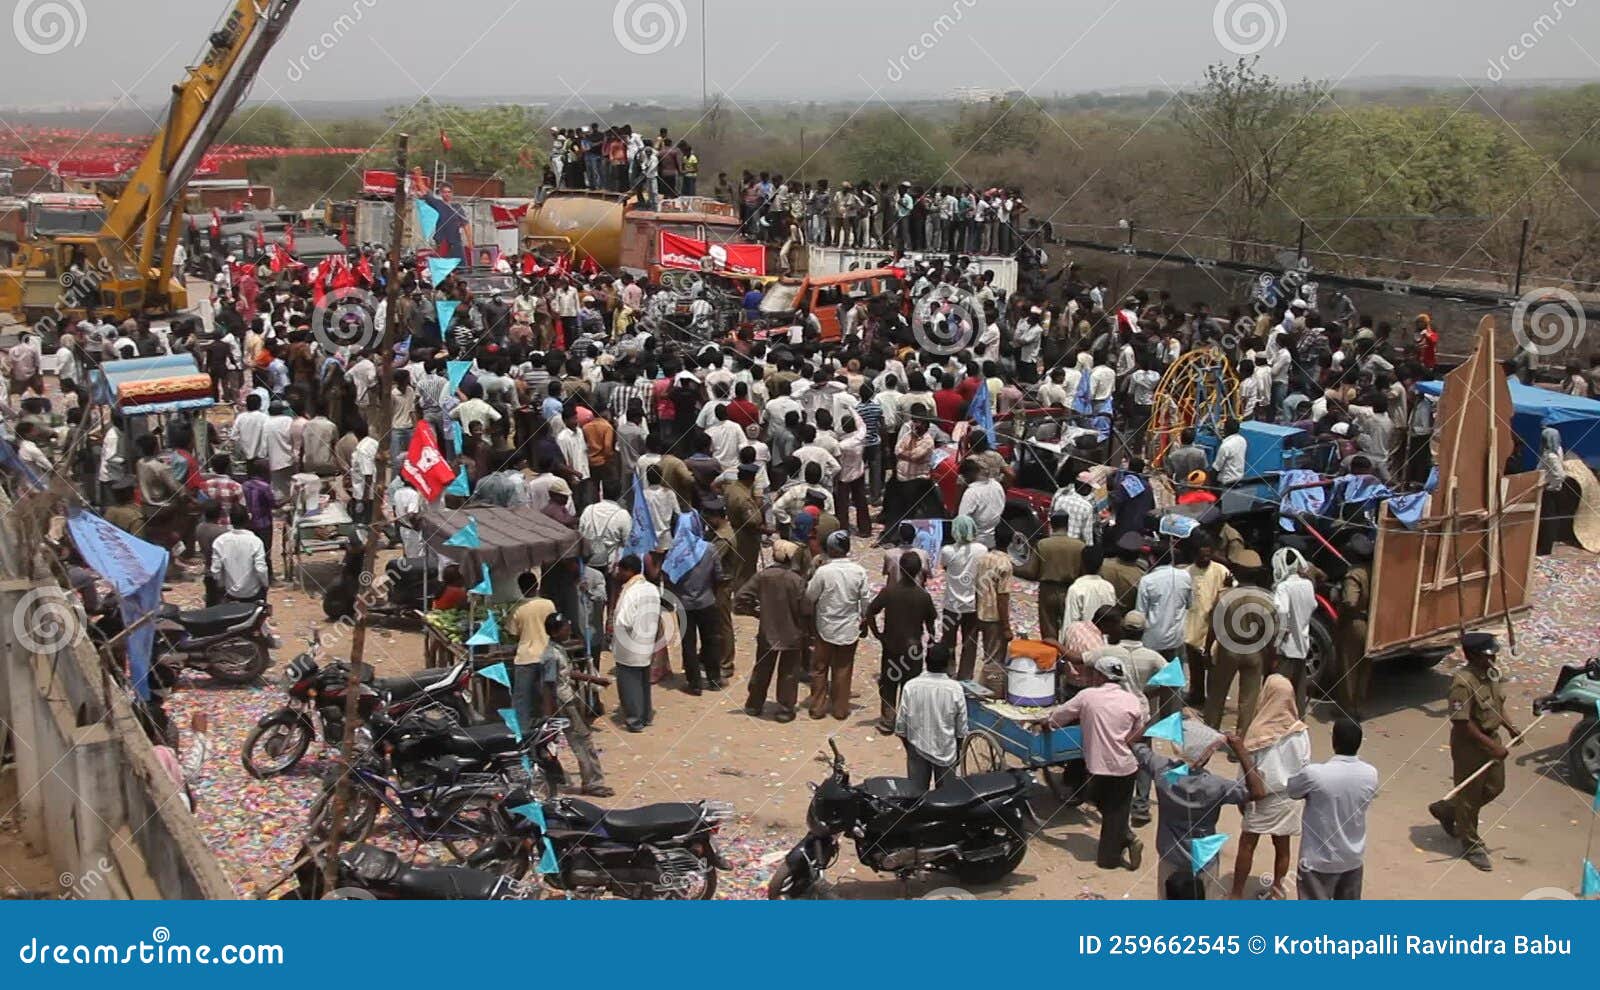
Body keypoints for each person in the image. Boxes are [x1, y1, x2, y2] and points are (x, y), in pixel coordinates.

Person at [1134, 718, 1267, 899]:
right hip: (1204, 860)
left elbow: (1132, 741)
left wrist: (1157, 718)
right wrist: (1241, 751)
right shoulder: (1216, 785)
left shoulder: (1162, 771)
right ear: (1206, 756)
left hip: (1169, 857)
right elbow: (1258, 792)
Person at [1042, 654, 1147, 871]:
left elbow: (1057, 717)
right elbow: (1140, 729)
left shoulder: (1087, 696)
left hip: (1099, 768)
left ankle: (1111, 857)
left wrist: (1046, 722)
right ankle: (1125, 835)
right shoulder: (1132, 700)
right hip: (1126, 766)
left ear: (1099, 675)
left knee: (1107, 809)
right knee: (1113, 809)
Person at [1428, 633, 1521, 872]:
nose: (1494, 659)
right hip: (1470, 745)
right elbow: (1462, 723)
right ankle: (1471, 845)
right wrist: (1492, 748)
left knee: (1494, 787)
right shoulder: (1463, 682)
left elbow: (1497, 706)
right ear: (1474, 655)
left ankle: (1448, 809)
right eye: (1489, 655)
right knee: (1470, 799)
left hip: (1492, 739)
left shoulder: (1492, 675)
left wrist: (1511, 729)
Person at [1228, 673, 1311, 899]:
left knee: (1247, 844)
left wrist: (1241, 797)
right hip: (1288, 799)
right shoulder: (1300, 731)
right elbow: (1305, 765)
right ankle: (1277, 891)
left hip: (1259, 798)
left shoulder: (1257, 730)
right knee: (1282, 847)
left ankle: (1236, 894)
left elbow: (1246, 770)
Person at [1287, 717, 1377, 899]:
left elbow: (1292, 790)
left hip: (1317, 861)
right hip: (1352, 858)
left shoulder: (1314, 774)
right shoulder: (1371, 773)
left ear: (1334, 740)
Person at [532, 611, 614, 797]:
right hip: (563, 704)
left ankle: (591, 781)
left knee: (582, 740)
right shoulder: (551, 656)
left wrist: (594, 679)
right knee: (582, 742)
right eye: (565, 629)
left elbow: (567, 673)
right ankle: (593, 784)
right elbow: (548, 686)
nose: (568, 632)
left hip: (568, 700)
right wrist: (549, 715)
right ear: (555, 632)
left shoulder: (557, 649)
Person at [735, 540, 810, 722]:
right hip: (792, 635)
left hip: (767, 634)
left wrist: (755, 612)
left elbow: (740, 599)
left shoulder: (763, 576)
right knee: (788, 673)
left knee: (762, 669)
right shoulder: (797, 581)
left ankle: (754, 705)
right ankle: (785, 709)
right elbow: (806, 610)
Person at [865, 552, 939, 734]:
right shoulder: (923, 596)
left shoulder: (889, 592)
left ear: (900, 569)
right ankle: (907, 722)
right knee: (910, 685)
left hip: (891, 645)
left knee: (888, 684)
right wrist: (931, 638)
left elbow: (870, 612)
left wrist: (878, 635)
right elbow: (931, 623)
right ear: (918, 571)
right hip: (913, 648)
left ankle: (888, 720)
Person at [805, 531, 870, 720]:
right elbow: (865, 600)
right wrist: (865, 620)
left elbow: (810, 596)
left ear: (831, 549)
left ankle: (817, 708)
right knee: (843, 668)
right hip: (849, 627)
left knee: (819, 667)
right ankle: (840, 709)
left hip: (825, 626)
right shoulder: (859, 571)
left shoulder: (823, 572)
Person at [662, 511, 724, 694]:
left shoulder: (673, 553)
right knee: (711, 641)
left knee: (688, 644)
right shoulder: (709, 549)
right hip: (707, 602)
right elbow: (719, 575)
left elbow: (668, 580)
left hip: (684, 606)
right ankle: (714, 679)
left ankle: (694, 683)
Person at [895, 643, 968, 790]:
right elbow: (961, 728)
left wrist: (911, 748)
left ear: (926, 661)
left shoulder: (911, 686)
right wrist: (958, 751)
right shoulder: (955, 689)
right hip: (946, 751)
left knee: (916, 799)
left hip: (917, 749)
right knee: (947, 799)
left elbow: (901, 726)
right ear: (948, 664)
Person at [1015, 512, 1084, 643]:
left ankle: (1050, 660)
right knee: (1070, 632)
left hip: (1048, 591)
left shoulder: (1043, 544)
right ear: (1068, 524)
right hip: (1071, 592)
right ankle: (1064, 661)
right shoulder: (1079, 546)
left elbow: (1030, 572)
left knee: (1049, 634)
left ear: (1051, 524)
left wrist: (1011, 567)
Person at [609, 554, 659, 732]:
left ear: (628, 571)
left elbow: (624, 621)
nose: (619, 574)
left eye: (621, 570)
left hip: (629, 646)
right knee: (643, 682)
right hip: (646, 642)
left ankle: (634, 720)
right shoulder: (652, 588)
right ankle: (645, 716)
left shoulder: (631, 592)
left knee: (629, 684)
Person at [939, 515, 986, 681]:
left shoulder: (947, 551)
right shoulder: (981, 550)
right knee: (970, 642)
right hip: (973, 604)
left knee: (948, 640)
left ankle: (949, 670)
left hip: (952, 604)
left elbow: (945, 567)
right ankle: (966, 675)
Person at [1270, 547, 1316, 714]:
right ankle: (1298, 723)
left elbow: (1282, 616)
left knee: (1280, 692)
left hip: (1286, 650)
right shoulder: (1308, 584)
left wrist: (1276, 645)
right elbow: (1312, 606)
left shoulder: (1284, 587)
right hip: (1303, 646)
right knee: (1299, 693)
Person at [208, 505, 269, 604]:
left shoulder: (220, 541)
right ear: (248, 520)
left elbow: (216, 570)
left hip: (230, 593)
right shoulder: (256, 541)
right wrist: (265, 585)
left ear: (230, 521)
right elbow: (261, 568)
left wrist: (221, 587)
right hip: (253, 592)